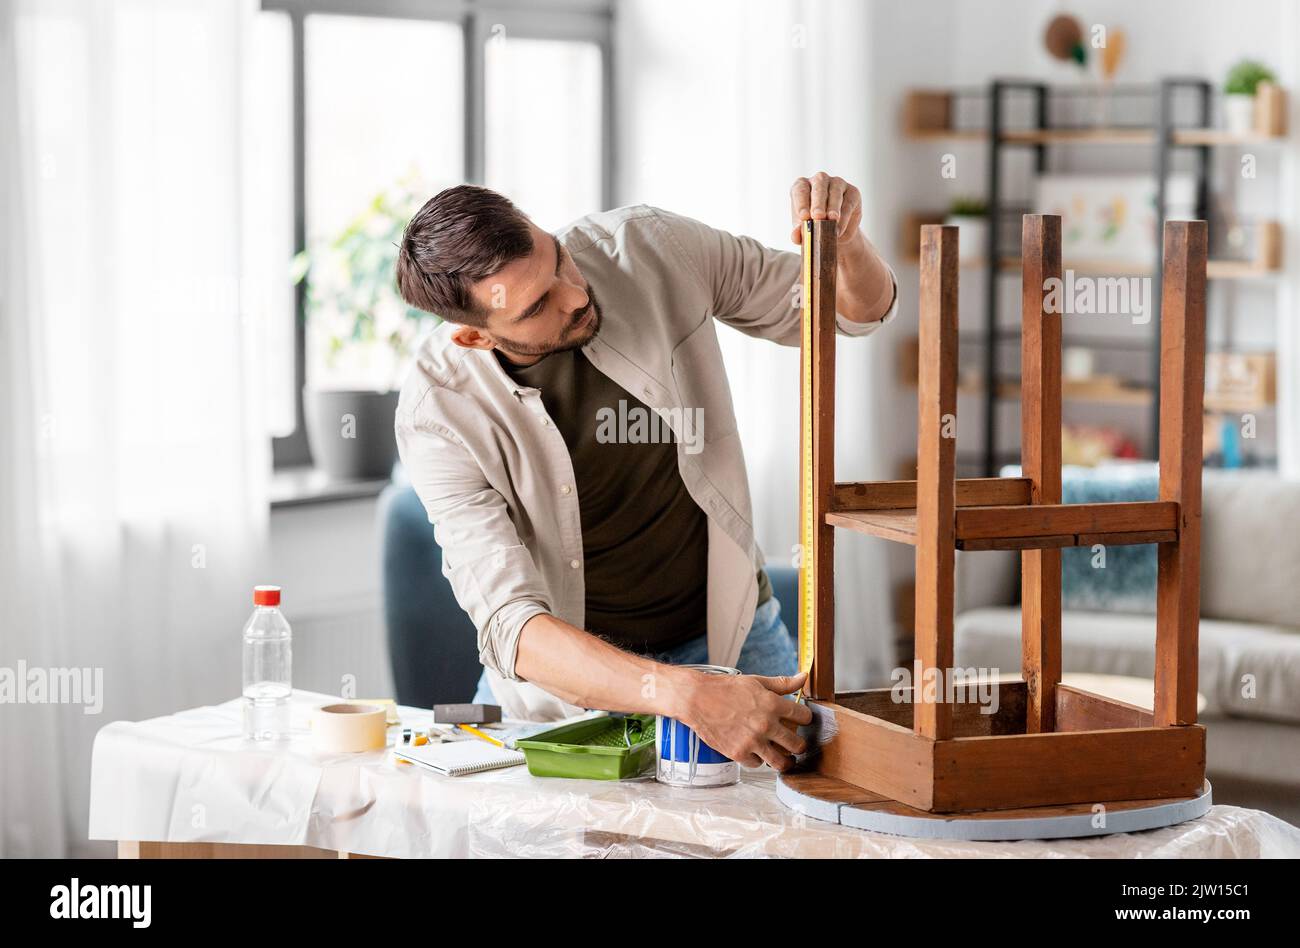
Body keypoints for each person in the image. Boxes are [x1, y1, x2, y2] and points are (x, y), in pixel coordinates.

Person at [393, 173, 897, 771]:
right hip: (569, 686)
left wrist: (849, 243)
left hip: (731, 635)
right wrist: (686, 694)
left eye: (558, 263)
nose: (574, 296)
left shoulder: (652, 247)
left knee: (788, 839)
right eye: (536, 307)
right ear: (475, 336)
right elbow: (514, 627)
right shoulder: (439, 412)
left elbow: (850, 310)